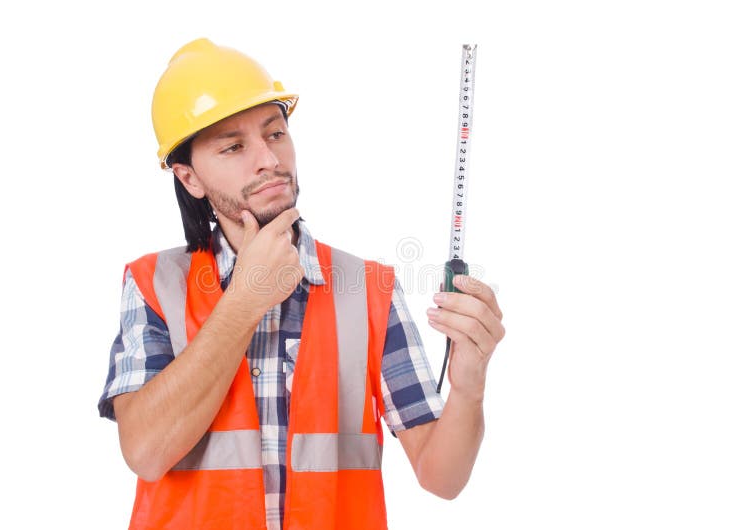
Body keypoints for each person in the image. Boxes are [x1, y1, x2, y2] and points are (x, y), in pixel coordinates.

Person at [98, 38, 505, 530]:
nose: (268, 159)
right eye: (234, 146)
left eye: (275, 133)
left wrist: (469, 386)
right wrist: (246, 298)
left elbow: (444, 478)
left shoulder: (367, 289)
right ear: (189, 178)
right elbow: (145, 451)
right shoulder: (153, 284)